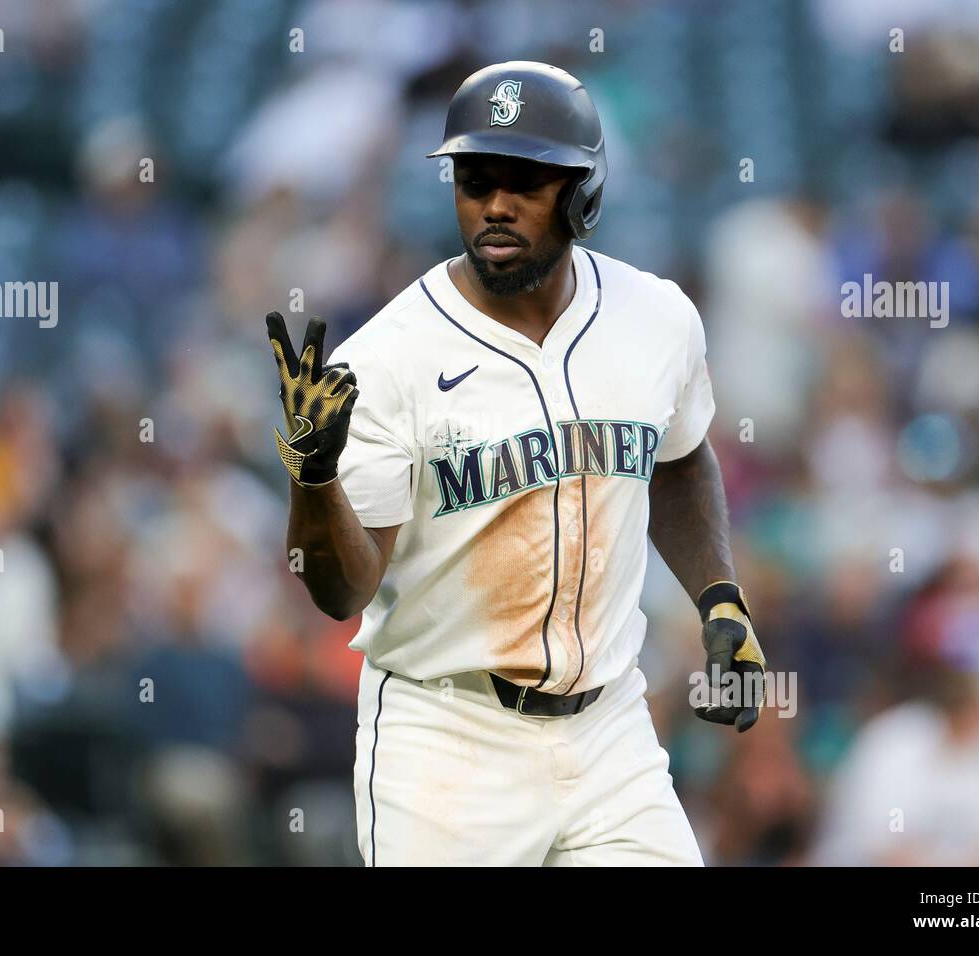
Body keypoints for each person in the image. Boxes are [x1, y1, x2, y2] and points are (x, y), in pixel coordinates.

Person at [264, 61, 764, 866]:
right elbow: (341, 592)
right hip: (448, 741)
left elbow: (677, 459)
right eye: (474, 180)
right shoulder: (388, 360)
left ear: (584, 193)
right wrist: (313, 477)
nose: (494, 205)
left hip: (610, 732)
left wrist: (720, 598)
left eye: (524, 182)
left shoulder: (657, 318)